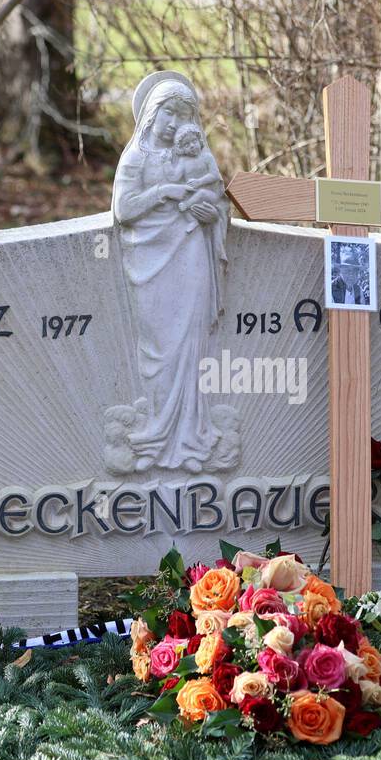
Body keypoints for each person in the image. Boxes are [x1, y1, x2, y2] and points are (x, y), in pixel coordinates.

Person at [111, 73, 228, 473]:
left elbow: (216, 199)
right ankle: (158, 437)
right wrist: (164, 193)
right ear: (151, 114)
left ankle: (191, 442)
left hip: (191, 251)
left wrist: (209, 212)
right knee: (160, 348)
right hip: (149, 259)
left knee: (190, 342)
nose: (176, 125)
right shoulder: (136, 158)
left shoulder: (193, 154)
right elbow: (124, 210)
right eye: (169, 116)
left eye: (184, 116)